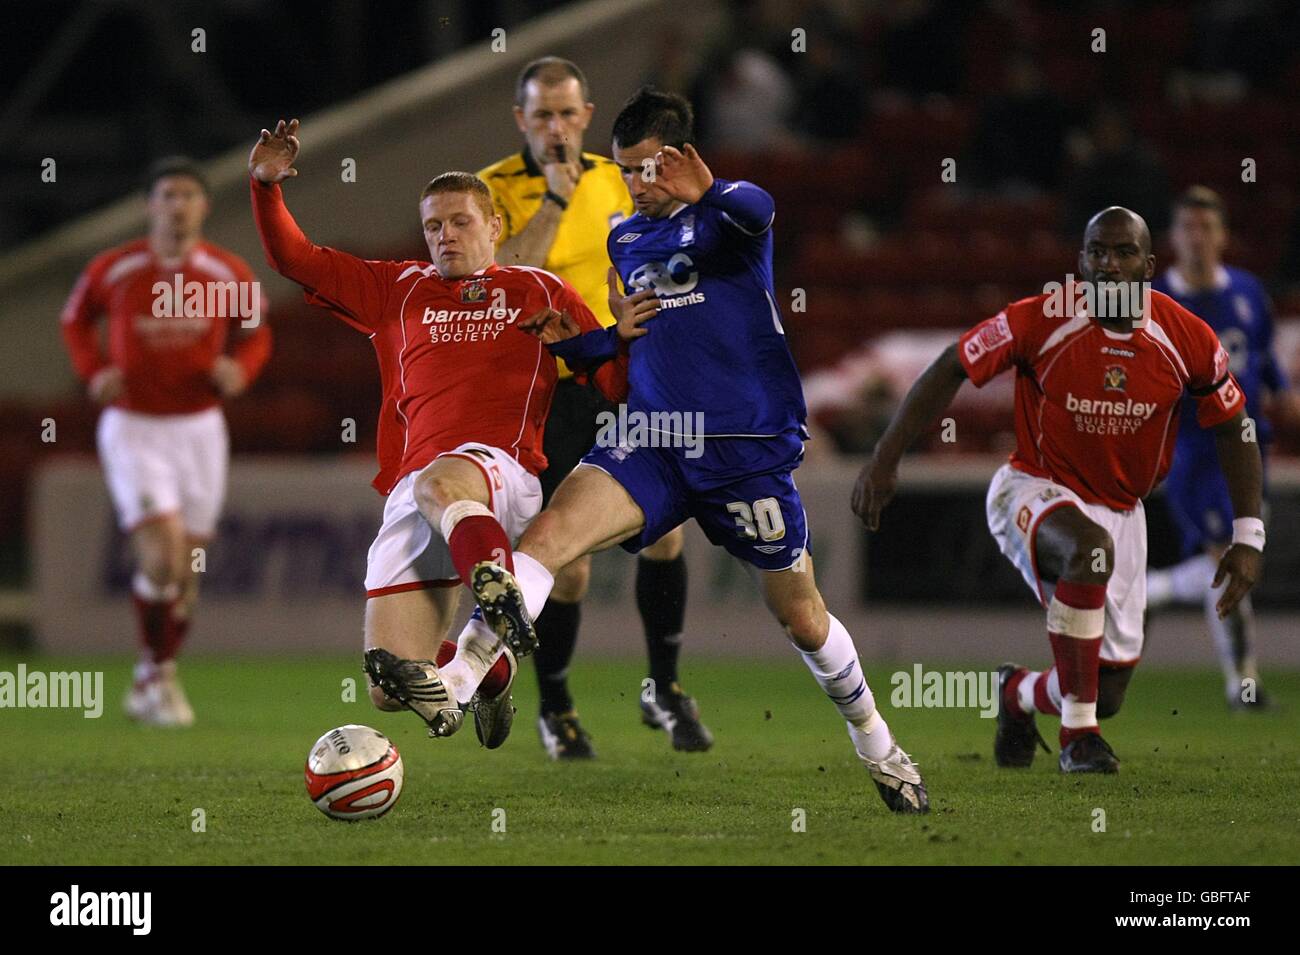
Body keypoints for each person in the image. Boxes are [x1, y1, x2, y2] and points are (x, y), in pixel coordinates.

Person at [401, 88, 929, 814]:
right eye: (626, 172)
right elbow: (643, 341)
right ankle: (459, 683)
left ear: (681, 158)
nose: (638, 186)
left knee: (801, 616)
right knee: (550, 536)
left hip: (743, 449)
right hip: (651, 438)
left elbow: (759, 209)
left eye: (650, 170)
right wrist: (585, 343)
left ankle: (879, 743)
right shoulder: (625, 239)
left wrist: (706, 189)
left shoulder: (732, 217)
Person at [247, 119, 633, 749]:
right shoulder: (396, 289)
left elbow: (614, 387)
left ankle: (497, 586)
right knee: (389, 685)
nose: (445, 235)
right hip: (418, 493)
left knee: (441, 479)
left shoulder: (540, 289)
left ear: (495, 228)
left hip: (500, 473)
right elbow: (296, 258)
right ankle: (494, 669)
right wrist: (265, 186)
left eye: (459, 222)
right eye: (433, 226)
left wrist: (610, 340)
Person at [854, 207, 1264, 774]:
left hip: (1123, 509)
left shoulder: (1187, 337)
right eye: (1097, 252)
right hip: (1031, 487)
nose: (1109, 265)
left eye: (1123, 253)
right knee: (1088, 552)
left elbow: (1234, 427)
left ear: (1148, 265)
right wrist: (884, 459)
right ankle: (1078, 739)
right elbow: (953, 363)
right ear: (1081, 263)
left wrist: (1249, 534)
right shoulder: (1044, 317)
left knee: (1107, 690)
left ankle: (1017, 695)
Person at [478, 57, 708, 758]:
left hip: (627, 377)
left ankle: (665, 689)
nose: (555, 126)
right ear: (521, 120)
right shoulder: (496, 187)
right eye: (540, 114)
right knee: (568, 561)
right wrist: (552, 197)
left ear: (586, 115)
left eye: (566, 113)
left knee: (666, 534)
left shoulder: (620, 175)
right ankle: (557, 708)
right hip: (550, 387)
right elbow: (500, 277)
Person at [61, 157, 272, 726]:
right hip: (135, 426)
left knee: (186, 572)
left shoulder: (227, 272)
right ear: (149, 205)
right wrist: (93, 370)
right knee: (162, 555)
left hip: (200, 429)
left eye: (188, 195)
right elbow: (74, 320)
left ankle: (149, 677)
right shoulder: (117, 267)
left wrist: (241, 369)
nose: (178, 205)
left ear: (204, 206)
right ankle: (161, 677)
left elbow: (256, 334)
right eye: (167, 195)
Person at [1147, 186, 1294, 709]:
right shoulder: (1156, 303)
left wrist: (1283, 391)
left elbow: (1262, 352)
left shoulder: (1249, 291)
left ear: (1223, 236)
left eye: (1206, 227)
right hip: (1194, 449)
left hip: (1250, 443)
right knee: (1224, 556)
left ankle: (1148, 591)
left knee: (1241, 555)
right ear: (1172, 237)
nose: (1197, 238)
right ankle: (1242, 685)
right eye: (1187, 227)